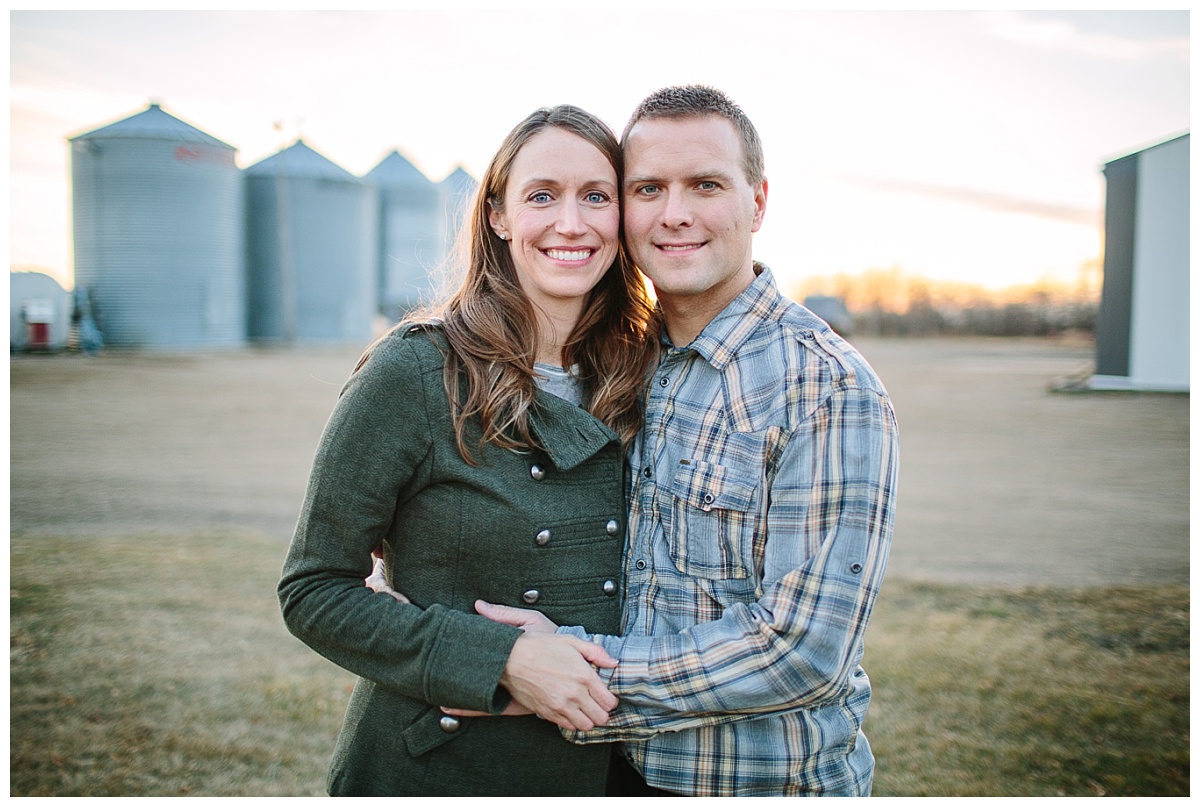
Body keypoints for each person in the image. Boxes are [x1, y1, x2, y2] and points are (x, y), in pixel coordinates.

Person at [453, 85, 900, 796]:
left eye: (705, 185)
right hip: (610, 774)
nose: (675, 213)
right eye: (649, 188)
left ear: (757, 201)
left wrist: (568, 670)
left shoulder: (825, 386)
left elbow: (804, 649)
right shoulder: (620, 364)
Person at [278, 104, 660, 796]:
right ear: (498, 215)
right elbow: (314, 589)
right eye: (542, 195)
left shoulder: (648, 375)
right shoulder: (417, 371)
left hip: (609, 769)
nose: (571, 222)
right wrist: (501, 657)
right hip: (443, 768)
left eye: (596, 196)